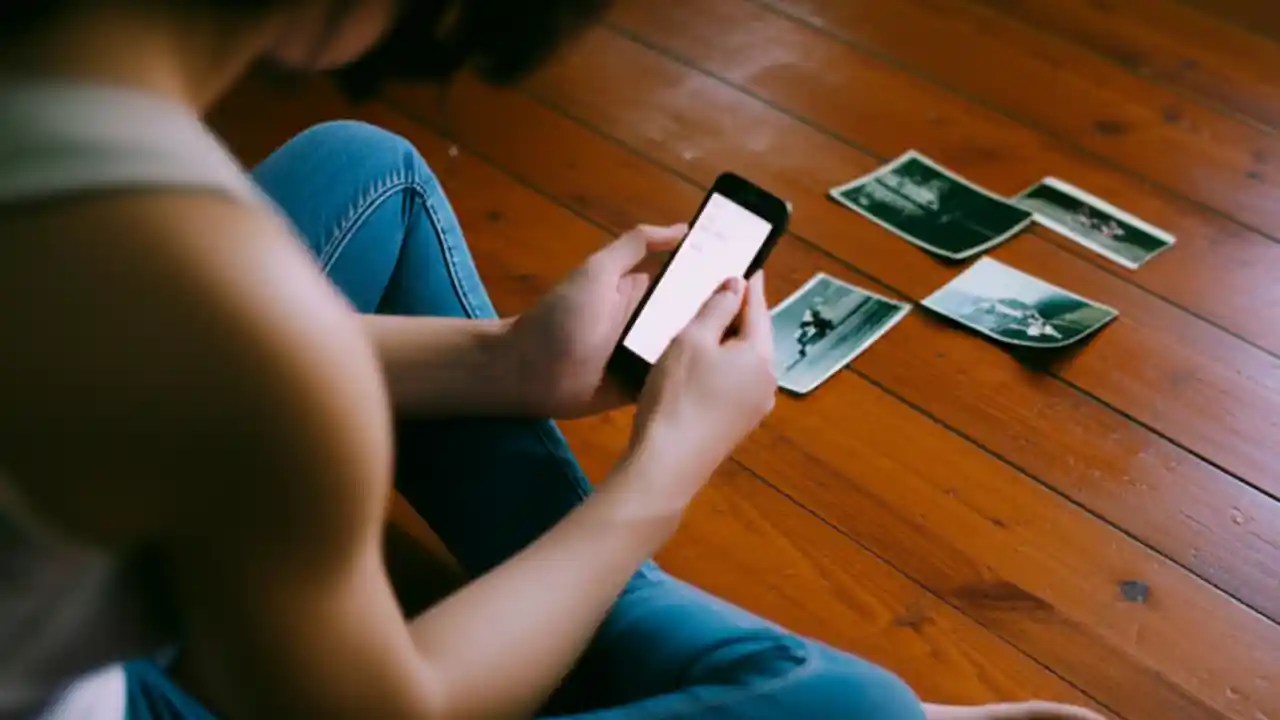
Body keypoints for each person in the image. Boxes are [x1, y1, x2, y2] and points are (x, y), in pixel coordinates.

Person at [0, 2, 1105, 718]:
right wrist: (660, 473)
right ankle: (624, 611)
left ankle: (588, 606)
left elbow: (168, 375)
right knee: (843, 711)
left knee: (365, 172)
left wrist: (505, 359)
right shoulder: (220, 320)